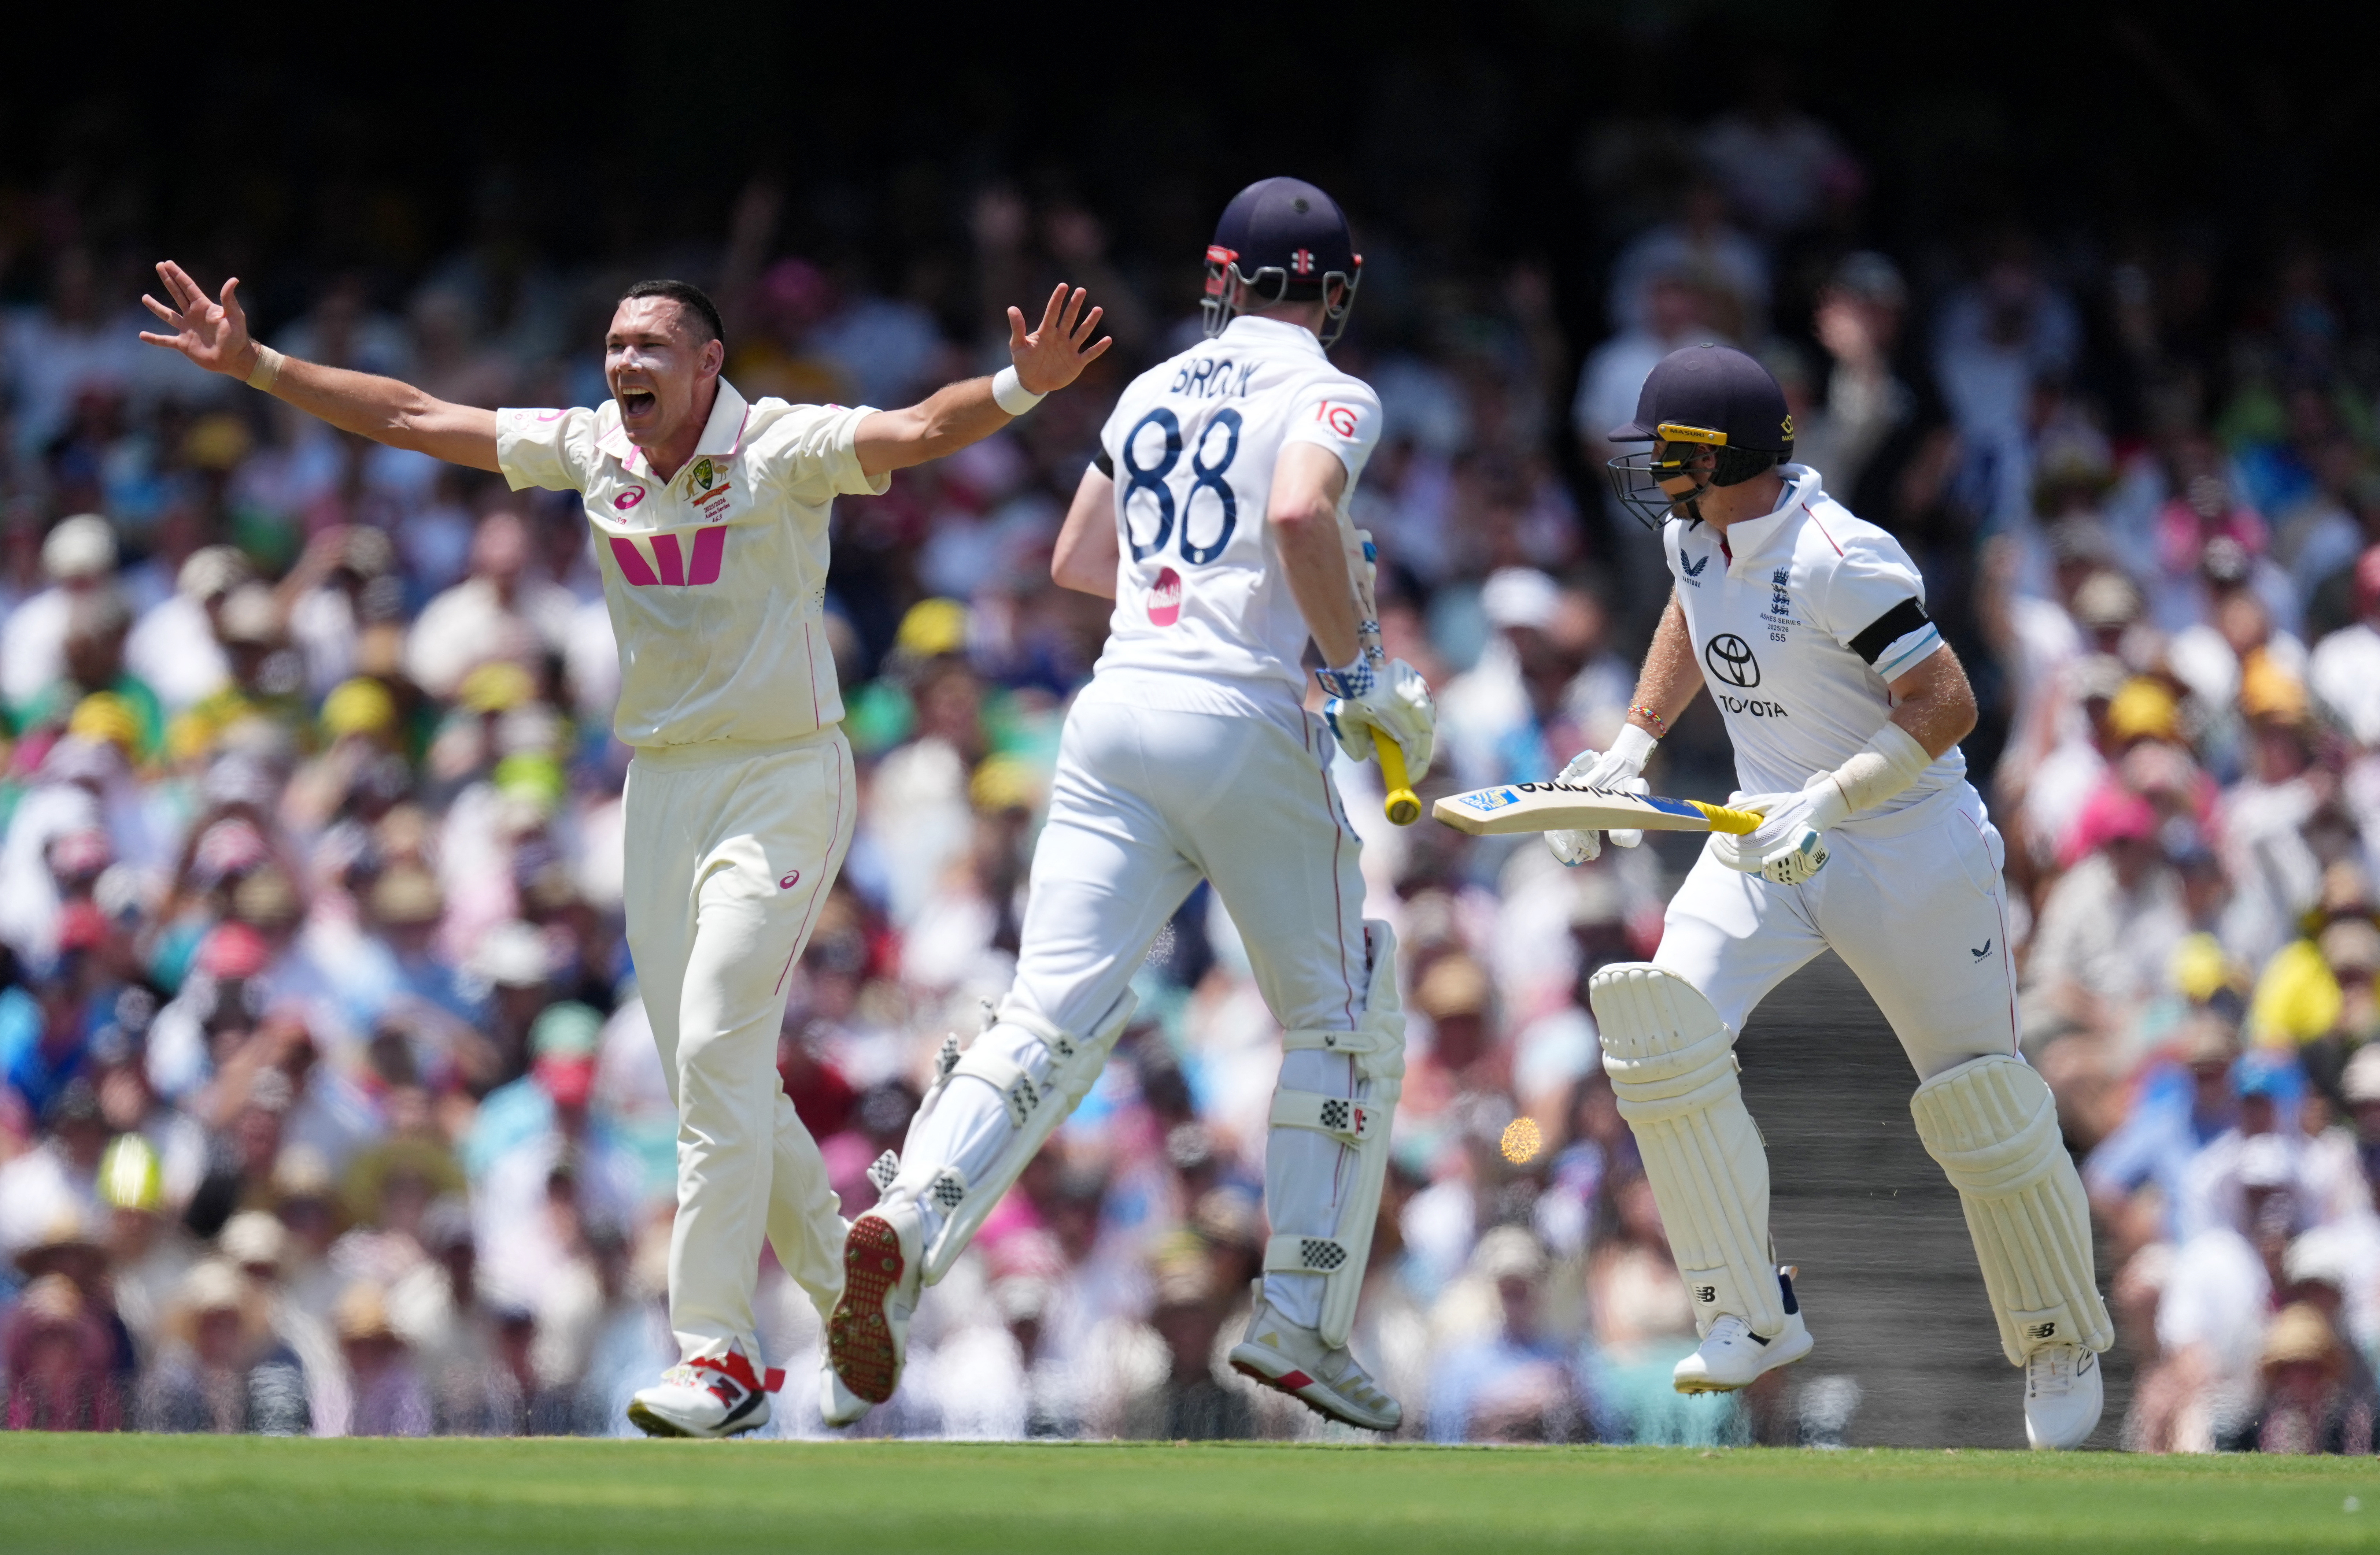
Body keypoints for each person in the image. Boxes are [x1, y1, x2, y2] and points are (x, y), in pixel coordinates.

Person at [138, 258, 1112, 1438]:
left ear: (711, 365)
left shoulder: (782, 447)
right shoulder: (591, 447)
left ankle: (720, 1358)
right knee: (721, 1071)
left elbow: (912, 430)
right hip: (662, 790)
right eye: (613, 345)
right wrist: (255, 365)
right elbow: (412, 415)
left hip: (781, 779)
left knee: (712, 1044)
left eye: (651, 346)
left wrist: (1019, 386)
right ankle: (857, 1284)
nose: (624, 364)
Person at [827, 178, 1434, 1432]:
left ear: (1223, 278)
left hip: (1112, 716)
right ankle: (1300, 1323)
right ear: (1335, 289)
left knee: (1048, 1016)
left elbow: (1076, 565)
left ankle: (907, 1215)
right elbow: (1298, 508)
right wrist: (1366, 673)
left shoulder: (1156, 385)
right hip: (1237, 715)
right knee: (1343, 1015)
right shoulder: (1333, 389)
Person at [1540, 344, 2113, 1449]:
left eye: (1671, 452)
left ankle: (2056, 1334)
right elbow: (1689, 615)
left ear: (1728, 455)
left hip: (1904, 845)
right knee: (1661, 1029)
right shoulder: (1690, 534)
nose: (1655, 472)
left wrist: (1834, 798)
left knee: (1979, 1102)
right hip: (1764, 833)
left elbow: (1945, 704)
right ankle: (1744, 1312)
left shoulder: (1846, 556)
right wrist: (1630, 749)